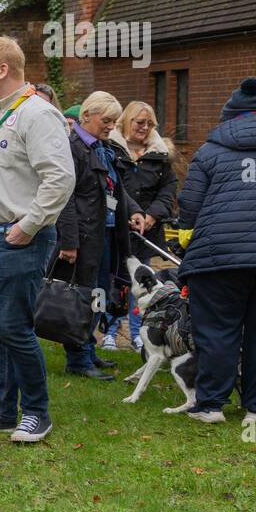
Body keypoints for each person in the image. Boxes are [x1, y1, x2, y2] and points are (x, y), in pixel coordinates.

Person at [0, 37, 74, 443]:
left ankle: (37, 413)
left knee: (15, 327)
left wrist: (30, 224)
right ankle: (1, 413)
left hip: (21, 239)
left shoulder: (38, 114)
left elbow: (60, 179)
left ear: (2, 70)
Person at [177, 77, 256, 425]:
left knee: (217, 329)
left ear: (229, 117)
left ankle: (211, 405)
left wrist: (185, 241)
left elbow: (189, 206)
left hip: (219, 257)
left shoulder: (210, 150)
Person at [49, 91, 142, 380]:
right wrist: (69, 241)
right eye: (106, 120)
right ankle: (77, 359)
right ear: (86, 115)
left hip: (106, 234)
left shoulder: (102, 147)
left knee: (98, 294)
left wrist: (134, 211)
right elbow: (63, 196)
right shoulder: (71, 148)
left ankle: (88, 348)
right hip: (83, 238)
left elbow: (116, 188)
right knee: (81, 296)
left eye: (114, 121)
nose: (111, 126)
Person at [102, 100, 178, 351]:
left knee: (144, 283)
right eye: (139, 122)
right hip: (117, 227)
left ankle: (137, 333)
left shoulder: (160, 156)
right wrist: (126, 213)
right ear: (126, 122)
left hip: (147, 231)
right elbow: (110, 186)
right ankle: (110, 330)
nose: (144, 127)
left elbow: (168, 191)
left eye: (149, 123)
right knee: (115, 281)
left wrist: (152, 216)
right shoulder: (111, 149)